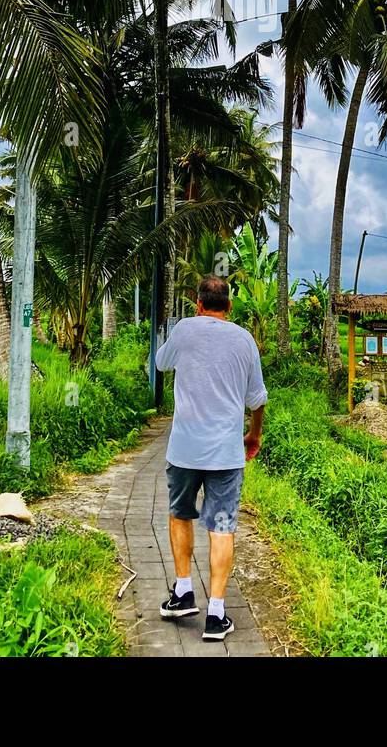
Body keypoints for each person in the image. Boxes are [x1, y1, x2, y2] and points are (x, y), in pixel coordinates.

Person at [155, 273, 268, 641]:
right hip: (225, 453)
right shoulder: (245, 340)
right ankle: (216, 615)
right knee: (222, 526)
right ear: (230, 307)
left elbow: (161, 363)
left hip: (185, 449)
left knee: (180, 513)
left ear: (199, 303)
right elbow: (257, 399)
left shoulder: (185, 329)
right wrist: (253, 434)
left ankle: (184, 591)